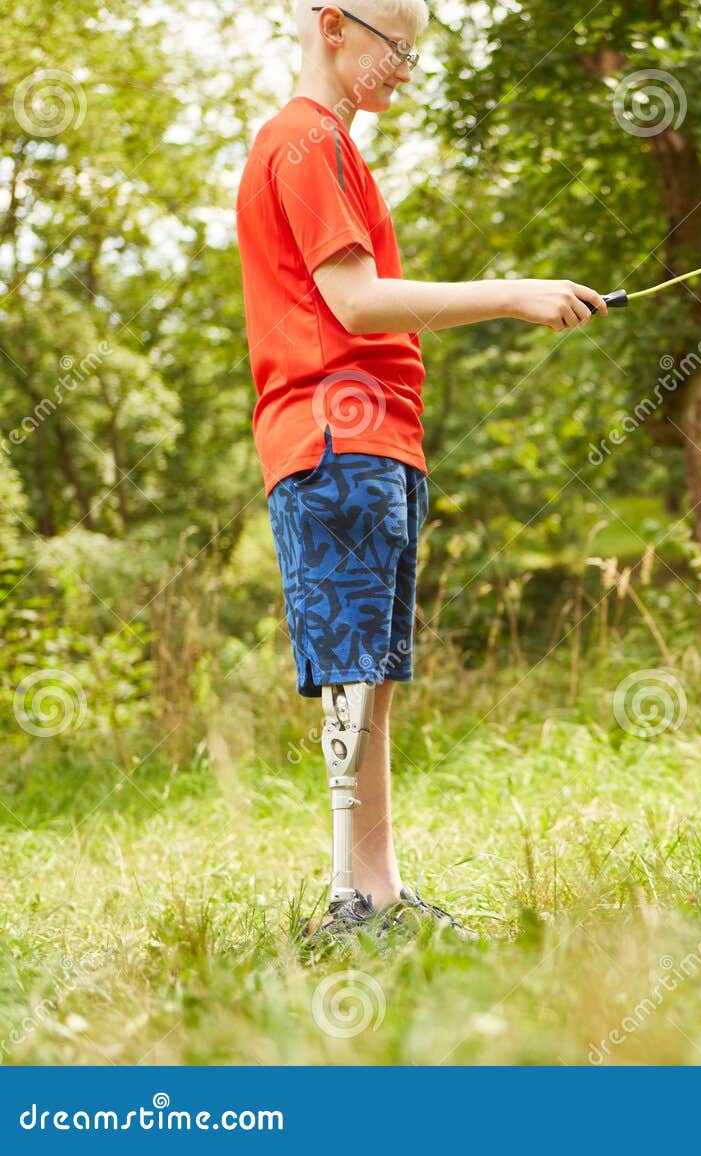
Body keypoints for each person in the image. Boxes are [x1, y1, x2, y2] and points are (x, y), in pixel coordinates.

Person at [237, 1, 609, 944]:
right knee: (352, 674)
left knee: (377, 677)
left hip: (380, 442)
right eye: (394, 47)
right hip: (335, 437)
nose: (405, 67)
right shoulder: (300, 143)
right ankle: (344, 903)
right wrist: (514, 295)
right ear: (334, 26)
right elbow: (355, 303)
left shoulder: (337, 150)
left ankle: (380, 895)